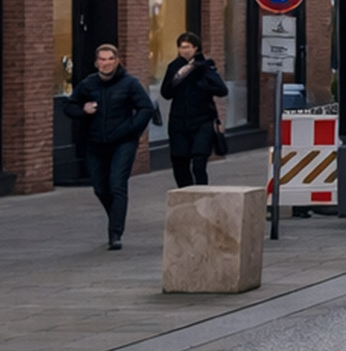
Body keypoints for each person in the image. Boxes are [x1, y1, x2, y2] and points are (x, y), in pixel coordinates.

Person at [63, 44, 154, 250]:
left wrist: (132, 130)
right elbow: (69, 106)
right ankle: (114, 215)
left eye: (109, 59)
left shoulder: (129, 83)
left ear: (117, 61)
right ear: (96, 63)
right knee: (100, 188)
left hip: (123, 142)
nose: (105, 63)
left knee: (117, 184)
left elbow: (146, 108)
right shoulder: (88, 84)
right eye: (102, 60)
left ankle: (115, 233)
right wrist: (83, 110)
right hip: (95, 144)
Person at [159, 31, 230, 186]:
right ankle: (185, 196)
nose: (184, 50)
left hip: (202, 120)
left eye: (188, 47)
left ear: (196, 48)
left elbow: (222, 90)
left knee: (199, 163)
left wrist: (203, 85)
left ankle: (201, 194)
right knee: (180, 164)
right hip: (179, 121)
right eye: (181, 47)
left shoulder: (205, 66)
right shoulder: (174, 67)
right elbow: (166, 93)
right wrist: (176, 82)